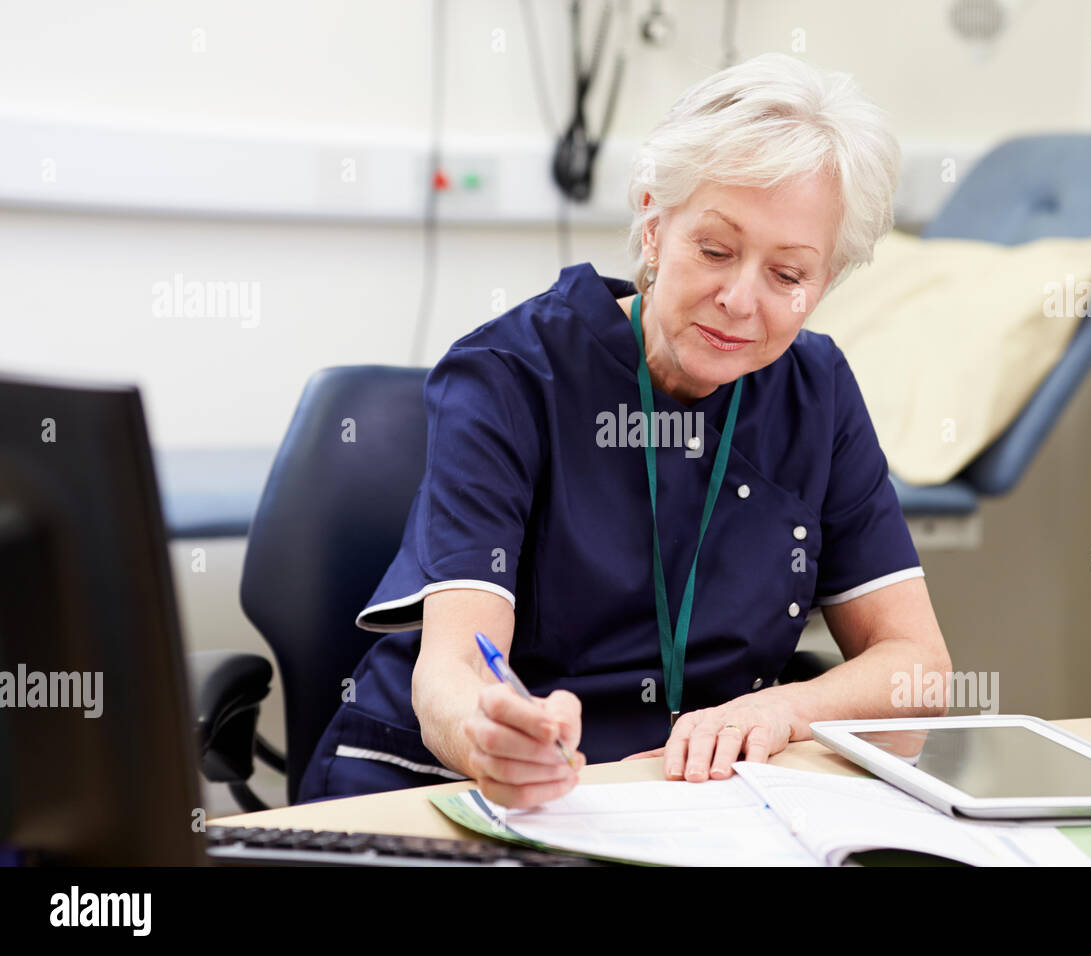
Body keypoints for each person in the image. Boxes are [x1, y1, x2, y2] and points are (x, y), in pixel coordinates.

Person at [296, 51, 951, 809]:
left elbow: (918, 666)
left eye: (788, 275)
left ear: (824, 282)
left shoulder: (818, 389)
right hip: (453, 787)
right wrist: (494, 737)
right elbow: (452, 671)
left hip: (686, 794)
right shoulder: (510, 375)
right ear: (652, 223)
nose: (741, 299)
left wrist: (779, 710)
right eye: (715, 250)